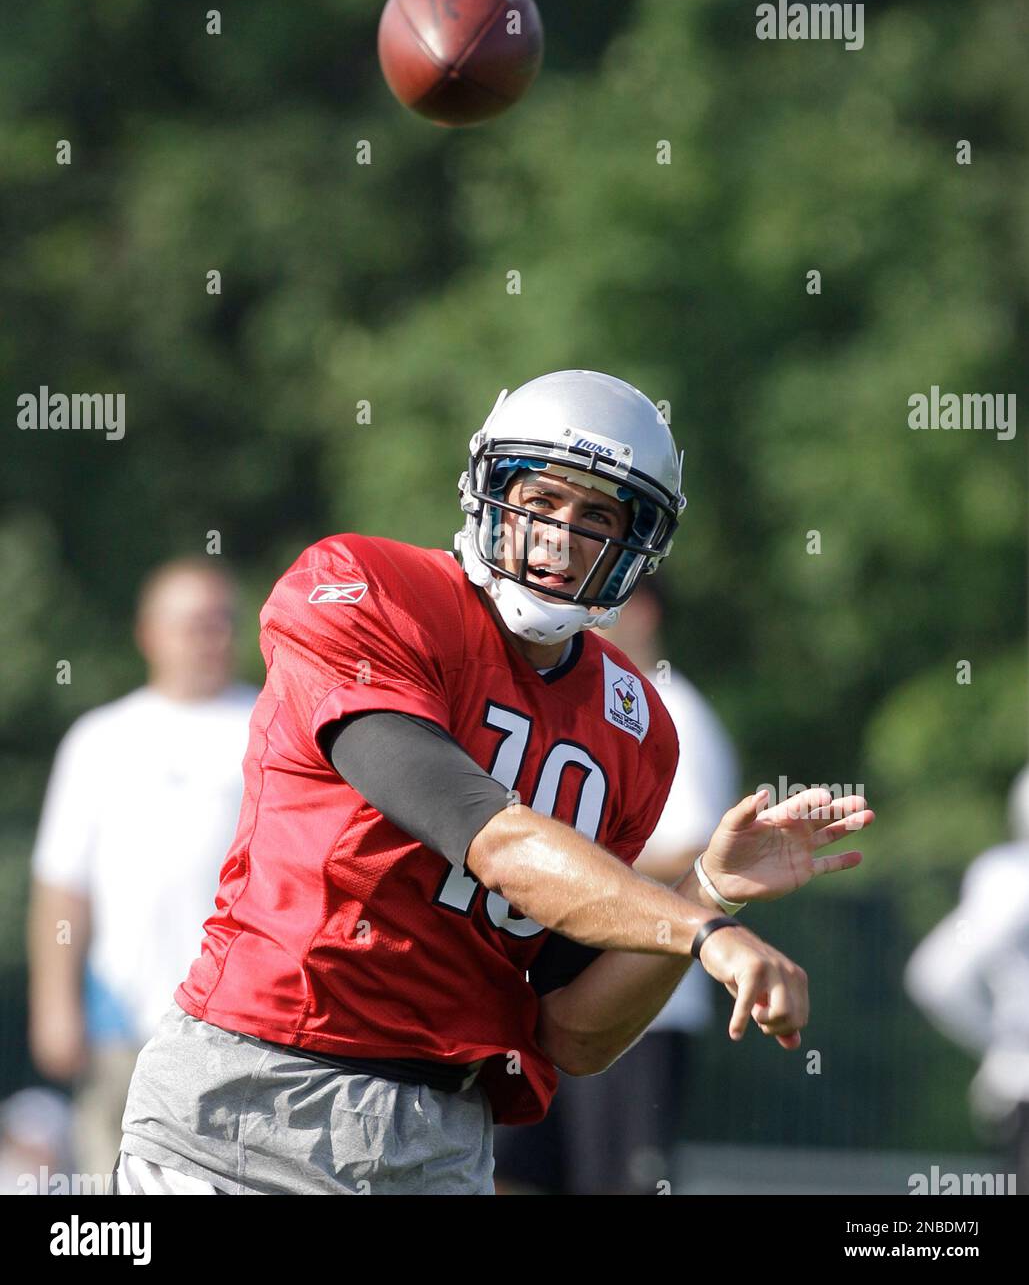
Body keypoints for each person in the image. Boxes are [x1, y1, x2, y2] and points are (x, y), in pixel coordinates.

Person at [114, 370, 872, 1196]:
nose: (559, 537)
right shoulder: (367, 588)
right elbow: (491, 836)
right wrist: (701, 935)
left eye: (596, 518)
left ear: (636, 546)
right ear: (487, 491)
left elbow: (575, 1035)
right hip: (252, 1104)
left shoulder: (635, 725)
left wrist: (709, 889)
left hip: (439, 1137)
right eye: (542, 501)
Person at [493, 578, 740, 1193]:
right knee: (510, 1173)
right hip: (551, 1000)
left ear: (645, 611)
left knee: (616, 1185)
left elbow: (696, 851)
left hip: (636, 1012)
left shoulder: (671, 708)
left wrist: (560, 868)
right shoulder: (578, 697)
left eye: (606, 602)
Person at [27, 558, 257, 1184]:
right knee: (117, 1189)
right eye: (190, 624)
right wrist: (54, 1003)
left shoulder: (270, 729)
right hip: (123, 1022)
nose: (208, 638)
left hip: (239, 1026)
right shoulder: (101, 739)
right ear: (148, 633)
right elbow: (61, 889)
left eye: (220, 622)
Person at [904, 765, 1029, 1192]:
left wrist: (1004, 1051)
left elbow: (938, 978)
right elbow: (937, 976)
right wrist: (1006, 1047)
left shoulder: (1008, 875)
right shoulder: (1014, 881)